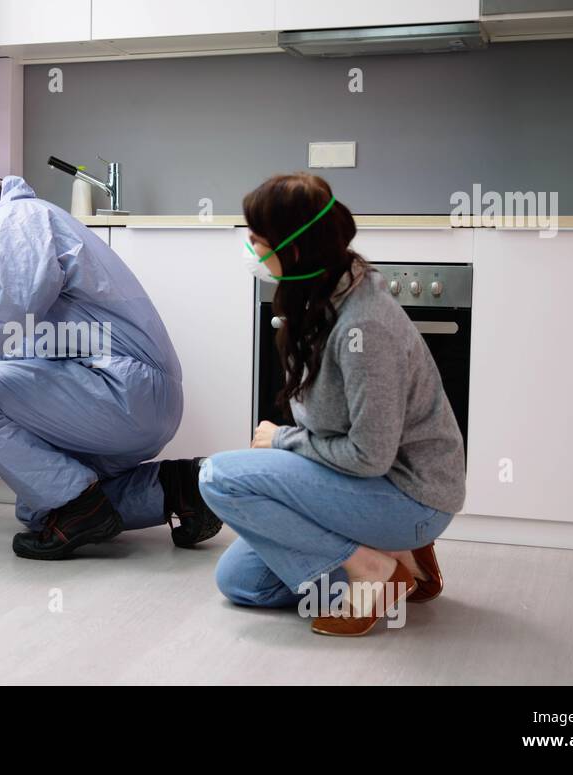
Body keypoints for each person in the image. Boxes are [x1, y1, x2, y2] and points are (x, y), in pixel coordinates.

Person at [0, 173, 220, 560]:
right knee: (38, 506)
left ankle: (82, 509)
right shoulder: (37, 230)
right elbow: (26, 357)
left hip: (123, 391)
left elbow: (7, 305)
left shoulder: (19, 216)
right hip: (137, 400)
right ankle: (180, 488)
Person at [198, 173, 466, 636]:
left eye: (258, 240)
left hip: (409, 495)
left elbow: (369, 456)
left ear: (295, 250)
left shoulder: (366, 329)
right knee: (242, 582)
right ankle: (404, 560)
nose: (249, 248)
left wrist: (283, 440)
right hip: (361, 482)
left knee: (217, 478)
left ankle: (375, 570)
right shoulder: (320, 295)